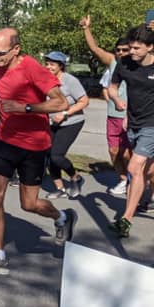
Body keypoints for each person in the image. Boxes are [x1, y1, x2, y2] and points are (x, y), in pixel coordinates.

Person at [0, 28, 75, 276]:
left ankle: (62, 217)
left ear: (16, 49)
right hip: (4, 139)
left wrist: (26, 107)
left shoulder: (33, 69)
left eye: (0, 53)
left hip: (34, 144)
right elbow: (2, 96)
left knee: (28, 204)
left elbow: (61, 103)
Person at [108, 24, 154, 238]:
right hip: (134, 123)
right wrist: (117, 100)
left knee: (135, 168)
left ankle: (126, 219)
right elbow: (112, 87)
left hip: (152, 126)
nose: (131, 52)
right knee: (148, 172)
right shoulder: (123, 64)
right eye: (130, 47)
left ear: (150, 47)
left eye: (137, 48)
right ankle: (148, 196)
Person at [80, 15, 132, 195]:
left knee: (127, 153)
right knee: (113, 151)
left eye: (125, 50)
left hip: (131, 116)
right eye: (118, 49)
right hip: (113, 116)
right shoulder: (113, 63)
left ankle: (135, 179)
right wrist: (86, 28)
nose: (121, 52)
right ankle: (124, 180)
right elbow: (94, 48)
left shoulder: (139, 65)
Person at [42, 51, 89, 200]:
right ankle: (60, 188)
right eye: (47, 63)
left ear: (61, 66)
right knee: (49, 156)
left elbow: (84, 101)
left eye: (52, 64)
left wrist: (65, 114)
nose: (48, 67)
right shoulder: (45, 80)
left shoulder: (70, 80)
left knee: (57, 155)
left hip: (71, 122)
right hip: (51, 122)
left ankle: (75, 178)